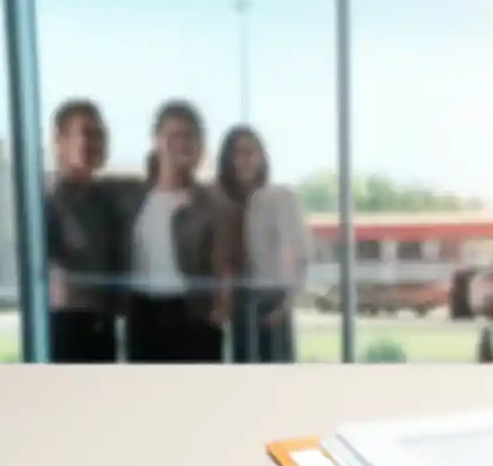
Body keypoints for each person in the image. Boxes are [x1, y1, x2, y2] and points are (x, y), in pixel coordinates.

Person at [118, 100, 234, 362]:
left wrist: (221, 309)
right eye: (174, 136)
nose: (182, 144)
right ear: (156, 141)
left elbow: (224, 264)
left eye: (190, 136)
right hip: (142, 315)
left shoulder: (213, 203)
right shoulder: (133, 199)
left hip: (192, 316)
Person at [215, 126, 311, 363]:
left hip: (272, 301)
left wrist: (284, 302)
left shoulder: (280, 197)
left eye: (250, 152)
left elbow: (296, 252)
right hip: (239, 304)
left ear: (261, 157)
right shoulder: (222, 204)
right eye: (237, 153)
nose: (244, 160)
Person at [45, 99, 122, 362]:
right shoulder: (47, 201)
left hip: (103, 327)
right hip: (65, 328)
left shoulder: (104, 199)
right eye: (87, 134)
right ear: (60, 141)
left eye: (100, 135)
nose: (96, 143)